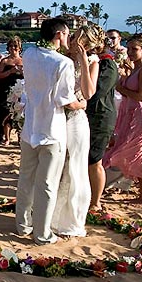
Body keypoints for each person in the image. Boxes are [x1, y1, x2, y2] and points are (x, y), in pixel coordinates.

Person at [15, 18, 83, 246]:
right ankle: (42, 233)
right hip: (52, 129)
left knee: (26, 178)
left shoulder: (28, 54)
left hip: (30, 126)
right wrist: (83, 103)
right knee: (46, 183)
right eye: (67, 34)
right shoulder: (63, 63)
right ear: (60, 34)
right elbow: (65, 100)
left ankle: (23, 225)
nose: (69, 39)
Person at [50, 26, 98, 237]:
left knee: (75, 170)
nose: (71, 40)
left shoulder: (93, 62)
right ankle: (50, 217)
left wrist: (84, 60)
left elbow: (87, 93)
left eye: (77, 38)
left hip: (77, 121)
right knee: (57, 168)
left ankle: (72, 221)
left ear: (85, 44)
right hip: (58, 117)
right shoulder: (59, 56)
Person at [102, 33, 142, 205]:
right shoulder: (134, 69)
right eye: (130, 49)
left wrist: (120, 87)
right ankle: (141, 193)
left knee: (140, 155)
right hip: (129, 115)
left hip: (140, 117)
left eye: (135, 49)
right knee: (127, 151)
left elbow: (141, 96)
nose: (131, 52)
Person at [82, 24, 119, 211]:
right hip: (90, 115)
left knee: (95, 160)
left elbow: (96, 93)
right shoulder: (95, 61)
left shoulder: (107, 65)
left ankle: (96, 201)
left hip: (101, 116)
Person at [0, 37, 24, 144]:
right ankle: (6, 138)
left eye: (15, 46)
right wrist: (10, 71)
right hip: (5, 89)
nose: (13, 48)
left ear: (19, 48)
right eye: (11, 46)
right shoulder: (5, 61)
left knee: (19, 114)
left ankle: (20, 138)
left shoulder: (24, 60)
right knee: (6, 114)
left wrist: (22, 72)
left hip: (20, 89)